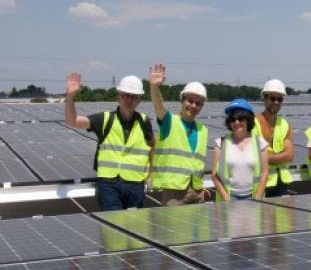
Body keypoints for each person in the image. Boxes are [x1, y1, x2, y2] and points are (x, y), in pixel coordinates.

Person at [64, 72, 153, 211]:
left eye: (134, 97)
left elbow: (152, 147)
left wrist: (150, 173)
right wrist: (70, 96)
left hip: (136, 184)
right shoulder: (105, 119)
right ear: (118, 97)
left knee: (135, 226)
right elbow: (72, 121)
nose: (129, 100)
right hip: (109, 185)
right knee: (113, 228)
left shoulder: (144, 121)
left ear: (139, 100)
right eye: (125, 95)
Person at [148, 63, 209, 206]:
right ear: (182, 101)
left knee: (197, 228)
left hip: (197, 191)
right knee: (173, 228)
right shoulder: (169, 122)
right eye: (190, 101)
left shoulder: (203, 130)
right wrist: (154, 87)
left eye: (199, 103)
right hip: (174, 194)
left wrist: (199, 186)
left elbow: (195, 163)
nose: (194, 106)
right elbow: (158, 106)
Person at [212, 99, 269, 200]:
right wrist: (226, 199)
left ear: (248, 119)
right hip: (229, 197)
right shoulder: (220, 143)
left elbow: (264, 173)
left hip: (253, 197)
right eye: (233, 119)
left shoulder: (260, 143)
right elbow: (215, 176)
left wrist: (257, 198)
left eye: (241, 118)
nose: (236, 122)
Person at [252, 79, 294, 197]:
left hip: (282, 183)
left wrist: (265, 157)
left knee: (282, 215)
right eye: (272, 98)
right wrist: (280, 156)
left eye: (279, 99)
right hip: (260, 182)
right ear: (264, 98)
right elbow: (252, 156)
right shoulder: (252, 123)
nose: (276, 102)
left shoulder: (286, 125)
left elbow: (289, 156)